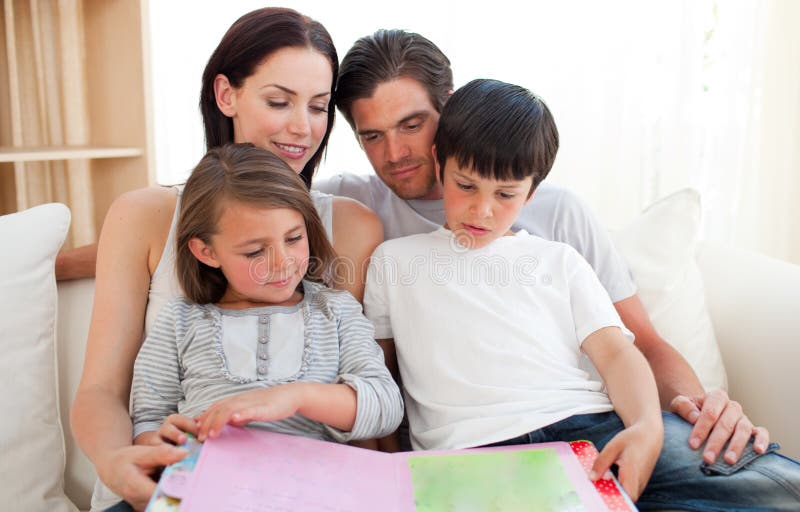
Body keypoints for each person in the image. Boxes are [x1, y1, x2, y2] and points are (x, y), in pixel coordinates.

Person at [316, 28, 769, 465]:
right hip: (471, 444)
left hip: (583, 421)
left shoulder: (557, 214)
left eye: (411, 125)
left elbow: (640, 345)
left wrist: (702, 412)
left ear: (450, 110)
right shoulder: (352, 208)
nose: (393, 154)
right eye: (371, 136)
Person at [364, 78, 800, 509]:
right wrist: (382, 474)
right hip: (472, 456)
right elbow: (377, 380)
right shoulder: (393, 260)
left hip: (594, 431)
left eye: (506, 194)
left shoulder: (561, 260)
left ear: (532, 192)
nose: (483, 210)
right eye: (466, 186)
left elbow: (616, 354)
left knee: (781, 488)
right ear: (440, 163)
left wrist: (647, 427)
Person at [69, 8, 383, 511]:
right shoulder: (144, 215)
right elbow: (101, 390)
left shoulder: (349, 225)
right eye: (280, 101)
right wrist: (116, 458)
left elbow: (364, 394)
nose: (302, 128)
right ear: (226, 94)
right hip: (172, 483)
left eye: (319, 107)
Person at [132, 143, 402, 453]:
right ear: (206, 252)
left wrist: (295, 397)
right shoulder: (179, 319)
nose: (283, 262)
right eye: (255, 251)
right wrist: (158, 439)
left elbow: (385, 406)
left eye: (294, 238)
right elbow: (148, 417)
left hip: (309, 487)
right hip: (210, 483)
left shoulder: (336, 312)